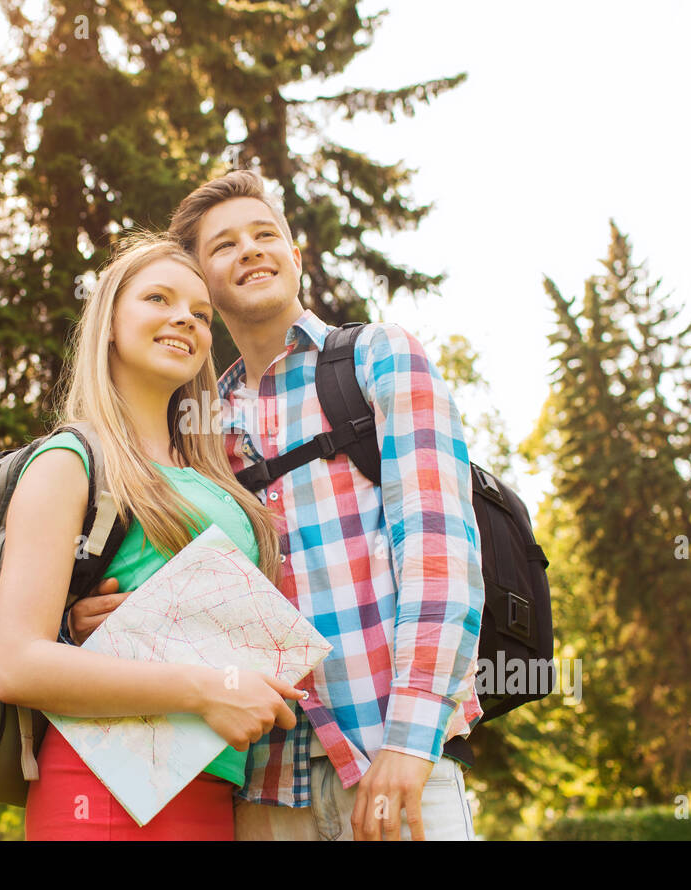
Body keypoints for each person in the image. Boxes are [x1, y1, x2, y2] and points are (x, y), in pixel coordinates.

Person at [70, 171, 484, 840]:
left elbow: (441, 554)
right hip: (263, 781)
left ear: (296, 257)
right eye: (226, 244)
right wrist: (97, 626)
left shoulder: (380, 358)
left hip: (389, 754)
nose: (252, 250)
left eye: (267, 235)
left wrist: (410, 739)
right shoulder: (200, 424)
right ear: (201, 282)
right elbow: (183, 590)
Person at [0, 232, 306, 841]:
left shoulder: (216, 480)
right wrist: (210, 689)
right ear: (109, 322)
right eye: (158, 299)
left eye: (200, 314)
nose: (183, 319)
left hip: (211, 791)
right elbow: (18, 664)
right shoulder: (70, 460)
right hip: (102, 790)